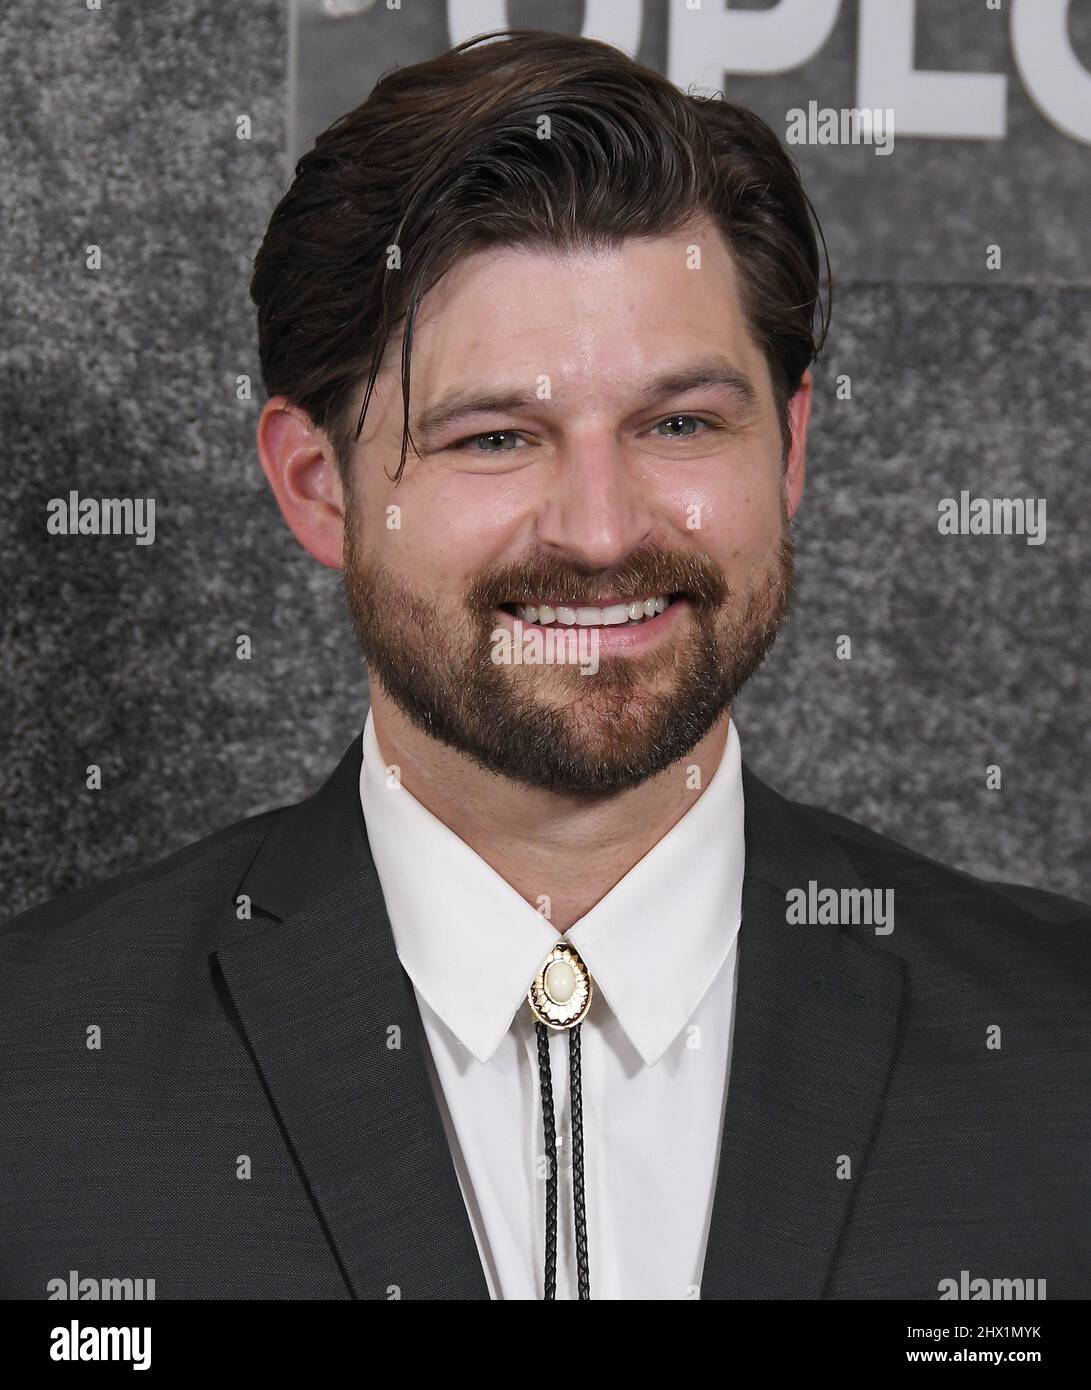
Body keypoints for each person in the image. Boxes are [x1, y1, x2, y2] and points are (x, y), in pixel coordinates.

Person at [2, 29, 1088, 1302]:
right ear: (318, 487)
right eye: (495, 436)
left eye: (679, 423)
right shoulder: (32, 1077)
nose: (600, 527)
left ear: (786, 452)